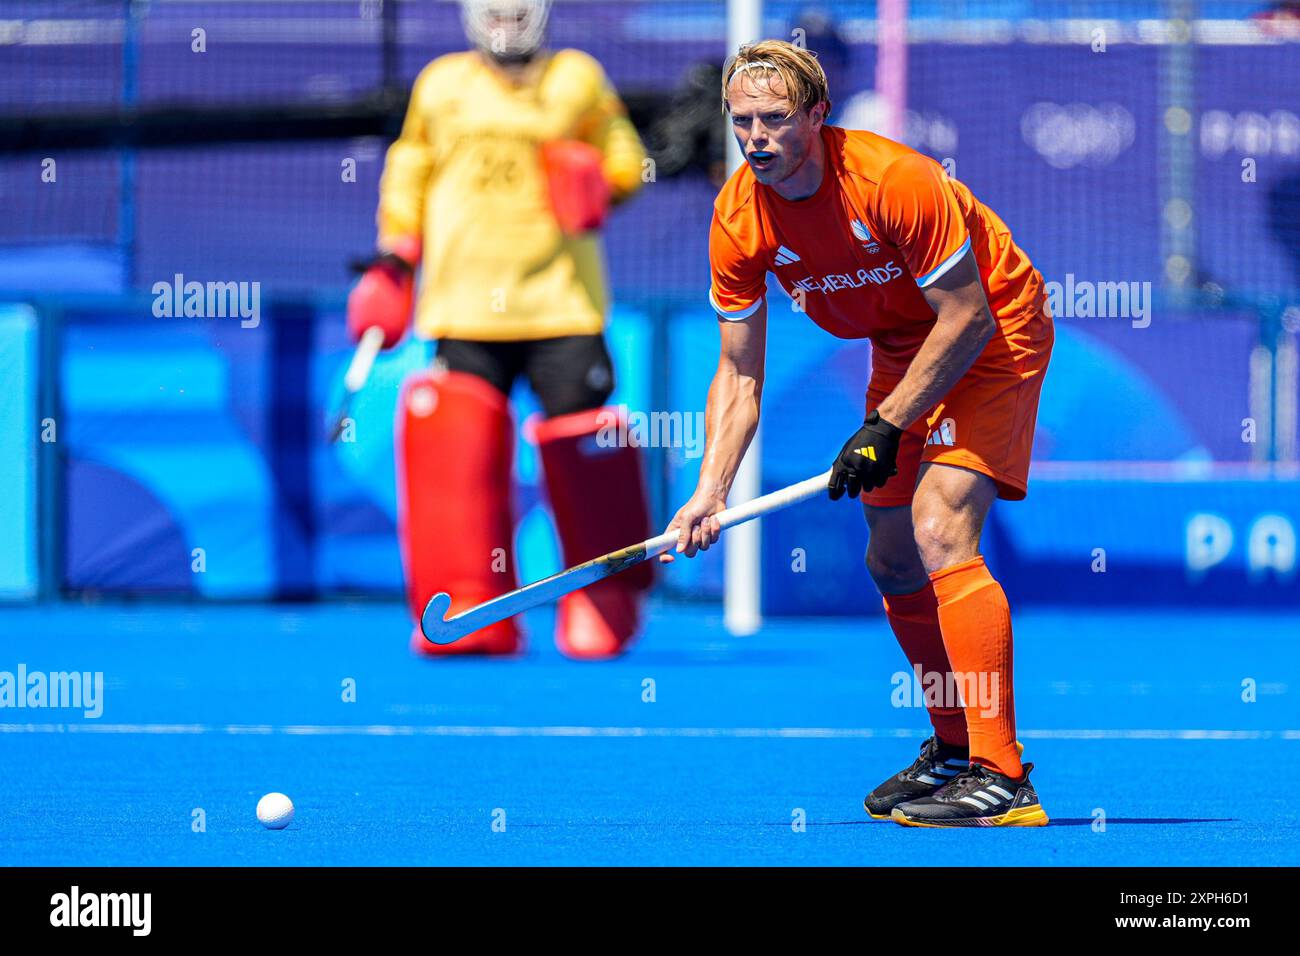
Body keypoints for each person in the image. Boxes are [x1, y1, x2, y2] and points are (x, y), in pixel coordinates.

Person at [662, 40, 1053, 827]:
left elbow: (967, 316)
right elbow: (738, 375)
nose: (756, 137)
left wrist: (885, 424)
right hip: (905, 344)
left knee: (939, 526)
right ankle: (954, 750)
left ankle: (1003, 776)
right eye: (742, 121)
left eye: (775, 118)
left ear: (817, 115)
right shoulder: (738, 219)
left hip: (992, 328)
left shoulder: (892, 180)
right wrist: (709, 492)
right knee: (891, 554)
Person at [347, 0, 652, 659]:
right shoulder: (440, 85)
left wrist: (602, 182)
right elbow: (409, 172)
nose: (507, 20)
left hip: (562, 303)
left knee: (586, 449)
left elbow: (625, 156)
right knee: (455, 454)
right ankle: (467, 599)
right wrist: (395, 257)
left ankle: (603, 598)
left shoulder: (577, 78)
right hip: (464, 307)